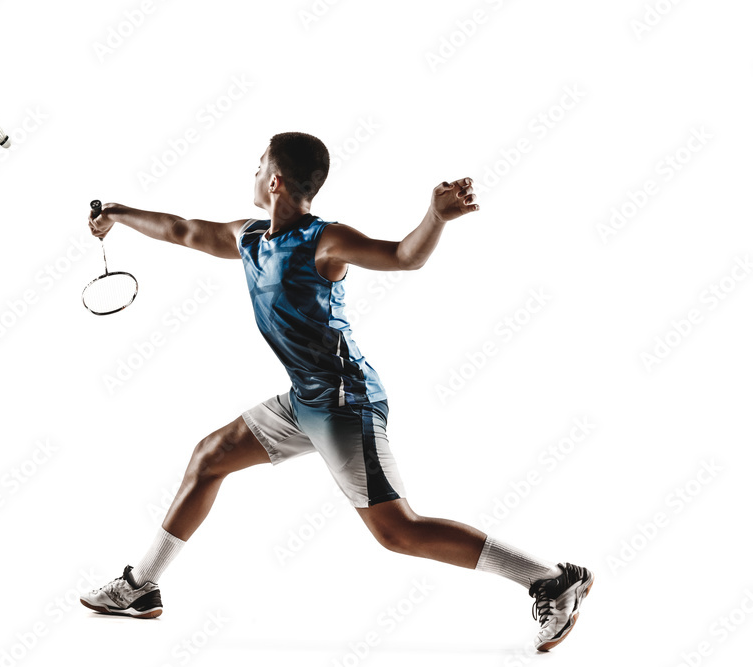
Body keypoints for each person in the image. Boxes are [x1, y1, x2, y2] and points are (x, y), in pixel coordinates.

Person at [80, 132, 593, 652]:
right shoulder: (250, 238)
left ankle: (550, 578)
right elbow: (182, 229)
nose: (253, 173)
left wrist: (434, 217)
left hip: (346, 402)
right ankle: (141, 586)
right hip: (304, 400)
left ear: (275, 180)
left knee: (398, 532)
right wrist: (119, 213)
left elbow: (402, 256)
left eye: (258, 166)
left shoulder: (326, 241)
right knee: (210, 457)